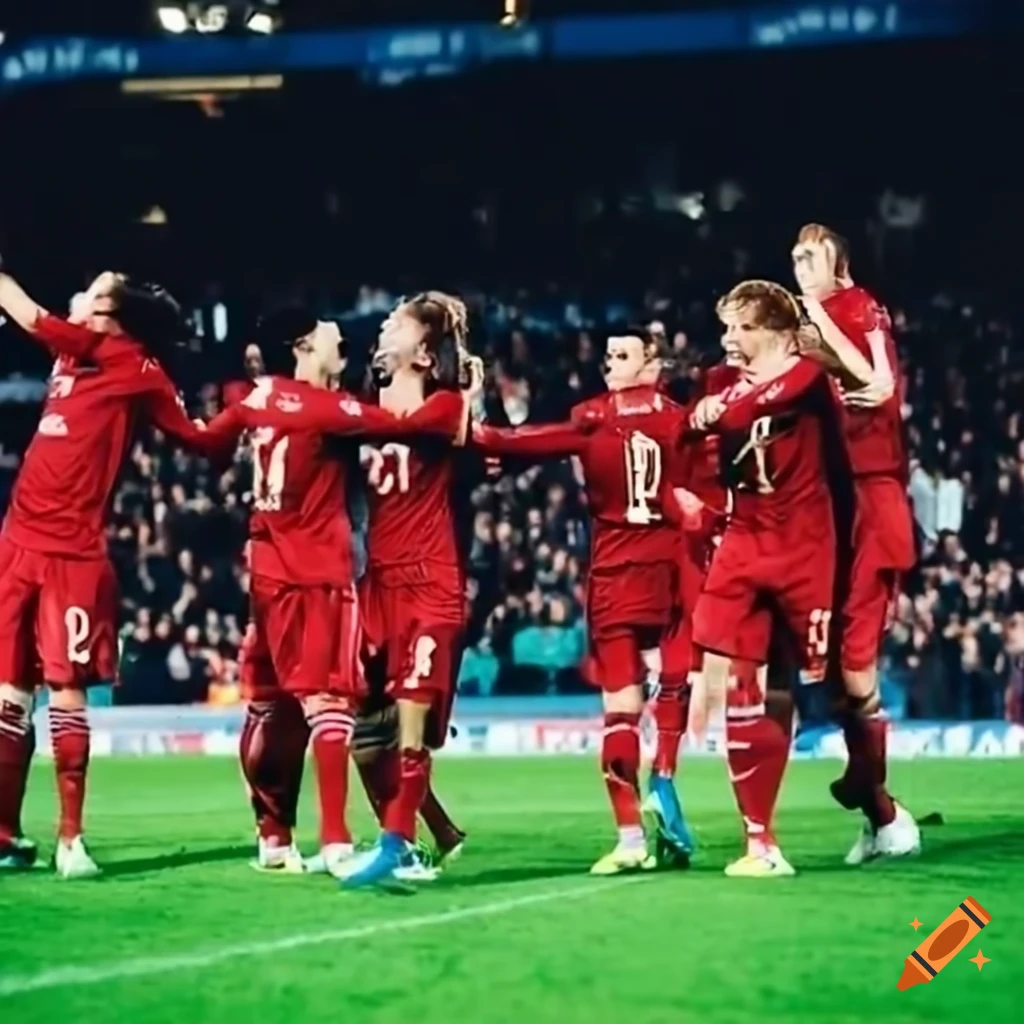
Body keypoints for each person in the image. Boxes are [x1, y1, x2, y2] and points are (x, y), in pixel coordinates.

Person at [203, 307, 468, 878]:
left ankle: (392, 838)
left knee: (361, 718)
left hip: (377, 575)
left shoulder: (356, 403)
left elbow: (452, 436)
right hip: (334, 578)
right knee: (346, 719)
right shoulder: (344, 406)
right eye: (333, 332)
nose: (356, 334)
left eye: (393, 325)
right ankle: (337, 839)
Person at [0, 266, 224, 877]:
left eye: (95, 296)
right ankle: (4, 834)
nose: (81, 299)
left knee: (65, 688)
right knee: (9, 693)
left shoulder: (124, 360)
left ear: (111, 320)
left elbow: (195, 438)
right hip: (17, 542)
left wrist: (247, 414)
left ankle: (71, 839)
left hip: (72, 553)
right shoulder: (72, 356)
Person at [472, 326, 688, 875]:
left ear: (650, 363)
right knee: (672, 678)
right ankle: (664, 775)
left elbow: (527, 441)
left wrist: (481, 436)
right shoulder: (682, 419)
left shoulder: (593, 416)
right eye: (610, 355)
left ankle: (630, 838)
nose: (610, 364)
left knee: (618, 711)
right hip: (670, 567)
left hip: (616, 575)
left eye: (622, 356)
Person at [688, 280, 848, 878]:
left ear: (777, 331)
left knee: (830, 688)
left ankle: (878, 807)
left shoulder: (807, 376)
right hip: (745, 539)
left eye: (741, 327)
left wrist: (718, 411)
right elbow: (693, 430)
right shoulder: (720, 385)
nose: (728, 338)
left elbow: (760, 402)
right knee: (741, 682)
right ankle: (759, 840)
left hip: (805, 544)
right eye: (726, 327)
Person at [315, 292, 475, 890]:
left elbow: (425, 426)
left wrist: (337, 416)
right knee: (361, 729)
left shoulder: (446, 406)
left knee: (409, 725)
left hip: (430, 581)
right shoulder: (364, 408)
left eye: (398, 321)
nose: (384, 324)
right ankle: (430, 832)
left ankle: (394, 843)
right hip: (376, 583)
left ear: (426, 353)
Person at [791, 223, 921, 863]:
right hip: (823, 507)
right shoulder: (800, 327)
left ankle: (878, 803)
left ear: (840, 264)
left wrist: (818, 329)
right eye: (794, 258)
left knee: (856, 667)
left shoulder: (856, 306)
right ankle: (875, 806)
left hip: (873, 500)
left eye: (810, 256)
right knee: (837, 684)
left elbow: (879, 387)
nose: (799, 265)